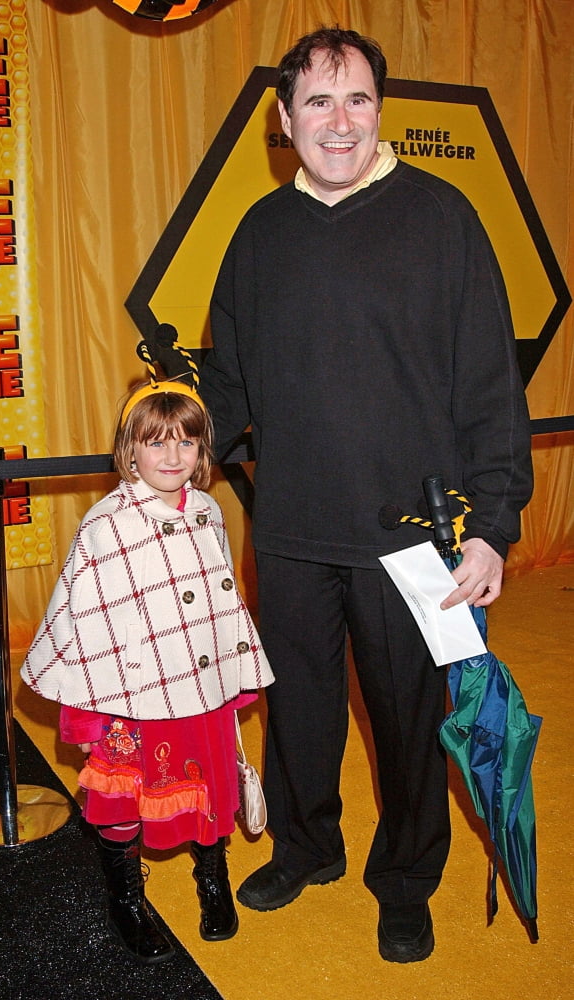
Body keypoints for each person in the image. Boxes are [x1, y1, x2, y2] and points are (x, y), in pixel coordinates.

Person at [199, 26, 533, 963]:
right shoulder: (261, 234)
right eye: (317, 101)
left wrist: (493, 528)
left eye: (355, 100)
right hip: (295, 527)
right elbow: (230, 380)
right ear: (284, 118)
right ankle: (308, 846)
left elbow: (489, 386)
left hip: (414, 537)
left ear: (380, 111)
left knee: (410, 722)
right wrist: (175, 448)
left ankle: (406, 878)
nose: (337, 122)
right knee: (297, 708)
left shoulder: (442, 217)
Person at [21, 371, 274, 964]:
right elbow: (85, 624)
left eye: (186, 441)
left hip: (201, 689)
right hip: (130, 697)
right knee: (126, 802)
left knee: (210, 787)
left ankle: (212, 878)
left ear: (203, 449)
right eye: (156, 441)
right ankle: (126, 897)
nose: (172, 455)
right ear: (129, 448)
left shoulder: (209, 510)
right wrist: (85, 723)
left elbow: (220, 600)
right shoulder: (106, 524)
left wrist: (233, 682)